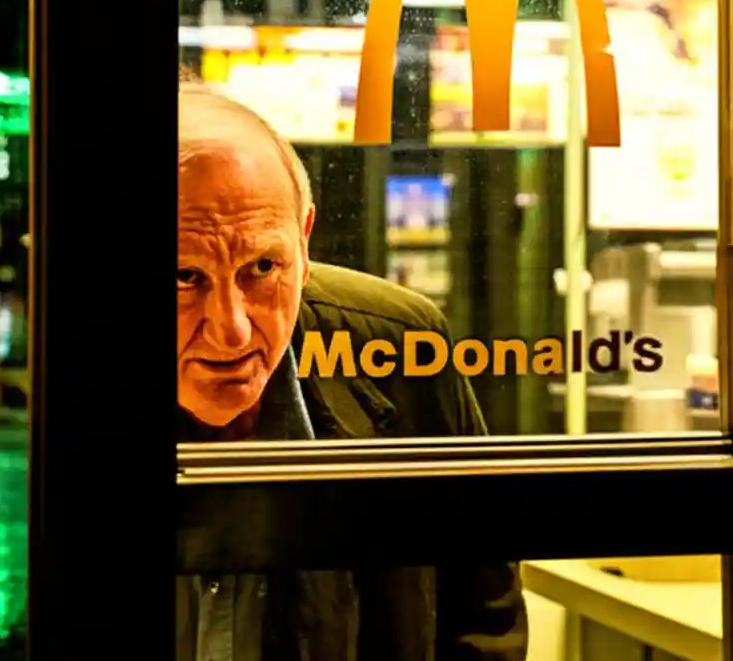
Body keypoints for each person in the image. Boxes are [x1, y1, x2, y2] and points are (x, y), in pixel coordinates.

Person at [177, 67, 527, 660]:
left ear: (304, 239)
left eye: (262, 268)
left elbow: (483, 615)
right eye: (186, 276)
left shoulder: (398, 346)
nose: (231, 328)